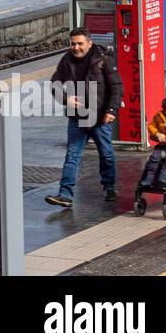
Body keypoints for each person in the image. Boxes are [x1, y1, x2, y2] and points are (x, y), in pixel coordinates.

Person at [45, 28, 121, 207]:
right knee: (72, 154)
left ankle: (109, 186)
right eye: (73, 44)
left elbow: (117, 87)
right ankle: (65, 194)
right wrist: (66, 99)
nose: (76, 47)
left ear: (89, 43)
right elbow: (55, 84)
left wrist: (112, 110)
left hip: (99, 116)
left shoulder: (103, 60)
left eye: (80, 43)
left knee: (106, 154)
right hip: (77, 117)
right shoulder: (66, 60)